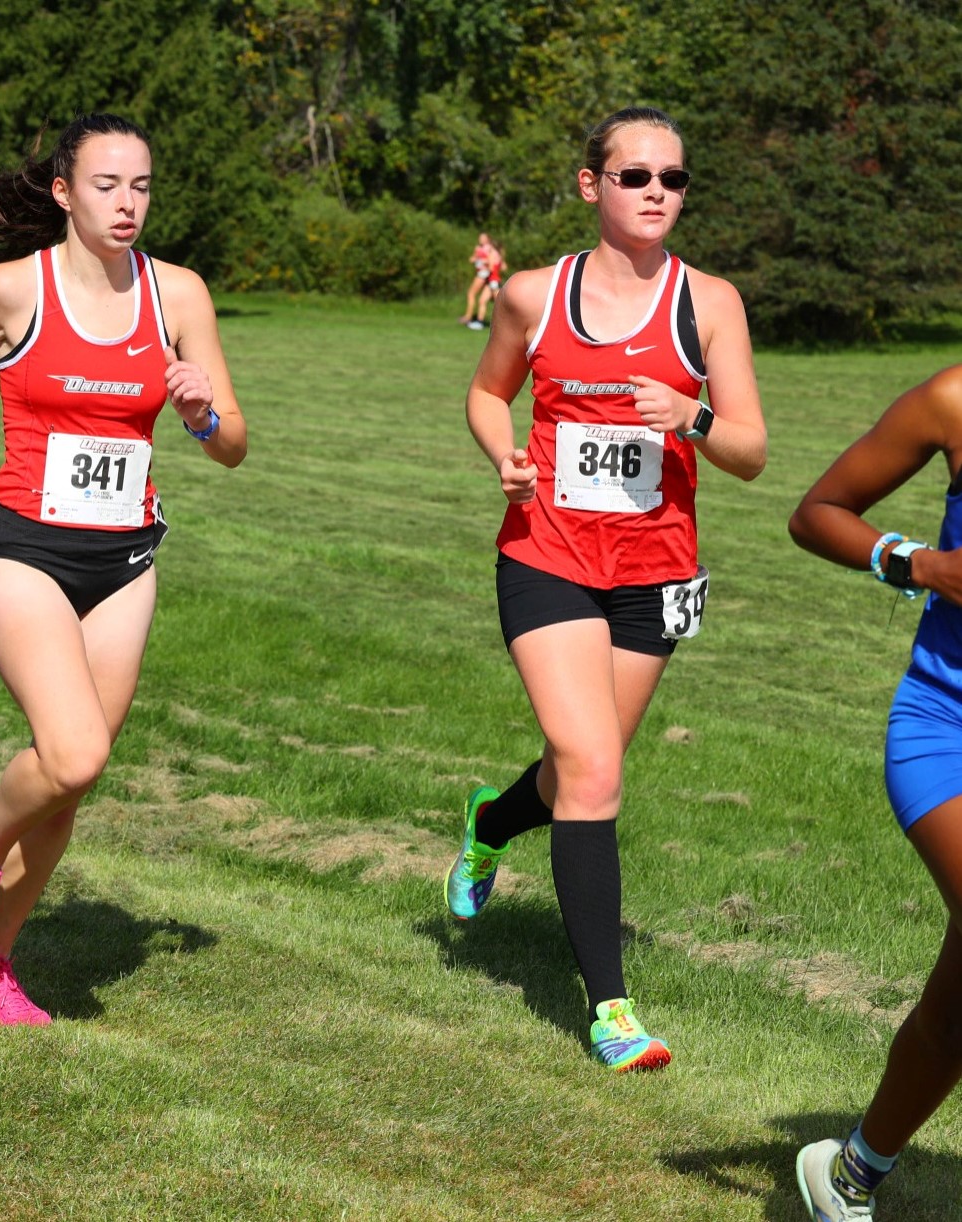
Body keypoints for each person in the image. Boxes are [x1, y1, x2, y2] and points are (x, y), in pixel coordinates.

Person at [0, 113, 247, 1025]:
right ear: (64, 192)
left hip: (126, 559)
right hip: (27, 547)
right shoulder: (15, 289)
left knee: (73, 782)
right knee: (75, 748)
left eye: (140, 186)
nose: (127, 204)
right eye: (106, 186)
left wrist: (204, 411)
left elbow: (233, 448)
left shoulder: (178, 295)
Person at [444, 106, 767, 1071]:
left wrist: (692, 412)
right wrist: (504, 455)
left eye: (673, 178)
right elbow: (484, 391)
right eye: (635, 176)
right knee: (592, 771)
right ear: (593, 186)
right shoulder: (535, 295)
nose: (657, 192)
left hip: (655, 570)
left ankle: (491, 823)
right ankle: (612, 1012)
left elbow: (750, 451)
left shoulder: (710, 304)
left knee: (581, 769)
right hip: (544, 553)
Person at [787, 365, 962, 1219]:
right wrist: (917, 563)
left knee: (956, 1011)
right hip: (946, 729)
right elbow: (816, 512)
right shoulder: (953, 399)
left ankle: (850, 1175)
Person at [458, 233, 494, 327]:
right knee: (483, 299)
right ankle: (478, 319)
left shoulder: (489, 248)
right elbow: (473, 258)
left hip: (484, 273)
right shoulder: (478, 248)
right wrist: (475, 259)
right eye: (480, 238)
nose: (481, 239)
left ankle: (468, 316)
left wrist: (483, 261)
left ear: (488, 239)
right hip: (481, 273)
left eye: (483, 238)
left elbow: (492, 261)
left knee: (471, 293)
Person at [472, 240, 506, 330]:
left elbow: (491, 268)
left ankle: (504, 324)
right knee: (482, 301)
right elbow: (503, 267)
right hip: (492, 281)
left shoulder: (492, 254)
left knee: (499, 304)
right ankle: (480, 322)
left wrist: (483, 266)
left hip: (493, 281)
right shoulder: (498, 254)